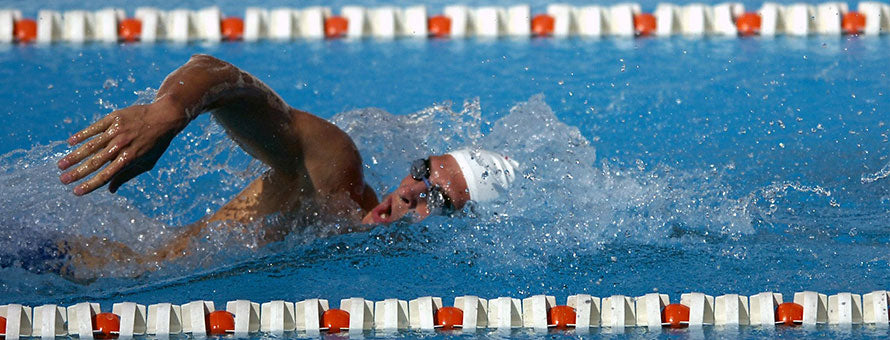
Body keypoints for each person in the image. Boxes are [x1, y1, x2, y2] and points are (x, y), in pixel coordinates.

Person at [53, 54, 518, 278]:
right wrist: (170, 110)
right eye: (422, 171)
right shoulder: (336, 181)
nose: (410, 191)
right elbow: (221, 75)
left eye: (435, 198)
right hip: (67, 267)